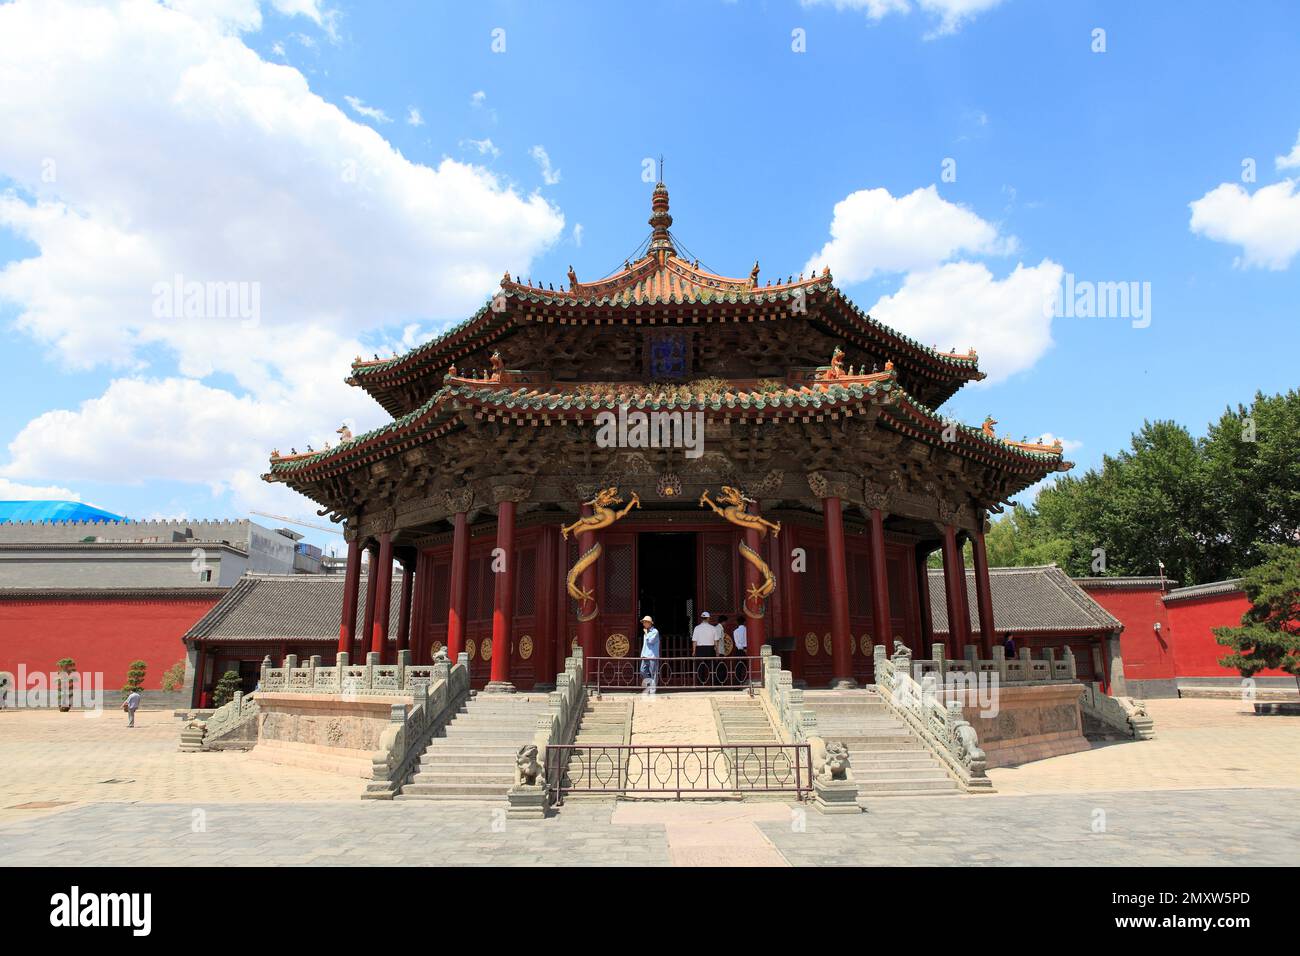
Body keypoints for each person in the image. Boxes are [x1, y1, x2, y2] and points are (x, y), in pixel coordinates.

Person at [691, 611, 718, 685]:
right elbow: (716, 641)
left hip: (700, 649)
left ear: (701, 618)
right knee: (711, 667)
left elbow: (694, 641)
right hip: (710, 649)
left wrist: (694, 651)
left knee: (700, 667)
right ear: (708, 618)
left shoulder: (697, 628)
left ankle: (700, 684)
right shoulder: (713, 628)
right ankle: (713, 684)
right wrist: (717, 651)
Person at [639, 615, 660, 694]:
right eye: (643, 622)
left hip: (652, 655)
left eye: (644, 622)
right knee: (642, 671)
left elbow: (651, 641)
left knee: (653, 673)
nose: (643, 624)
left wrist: (646, 633)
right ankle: (651, 684)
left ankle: (652, 690)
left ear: (649, 623)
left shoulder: (655, 631)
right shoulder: (646, 632)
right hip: (645, 655)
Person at [733, 615, 749, 683]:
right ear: (745, 622)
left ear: (737, 622)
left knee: (738, 668)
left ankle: (738, 683)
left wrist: (742, 648)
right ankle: (747, 681)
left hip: (739, 650)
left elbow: (737, 644)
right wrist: (745, 649)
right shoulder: (747, 630)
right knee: (748, 667)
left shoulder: (735, 631)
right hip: (748, 650)